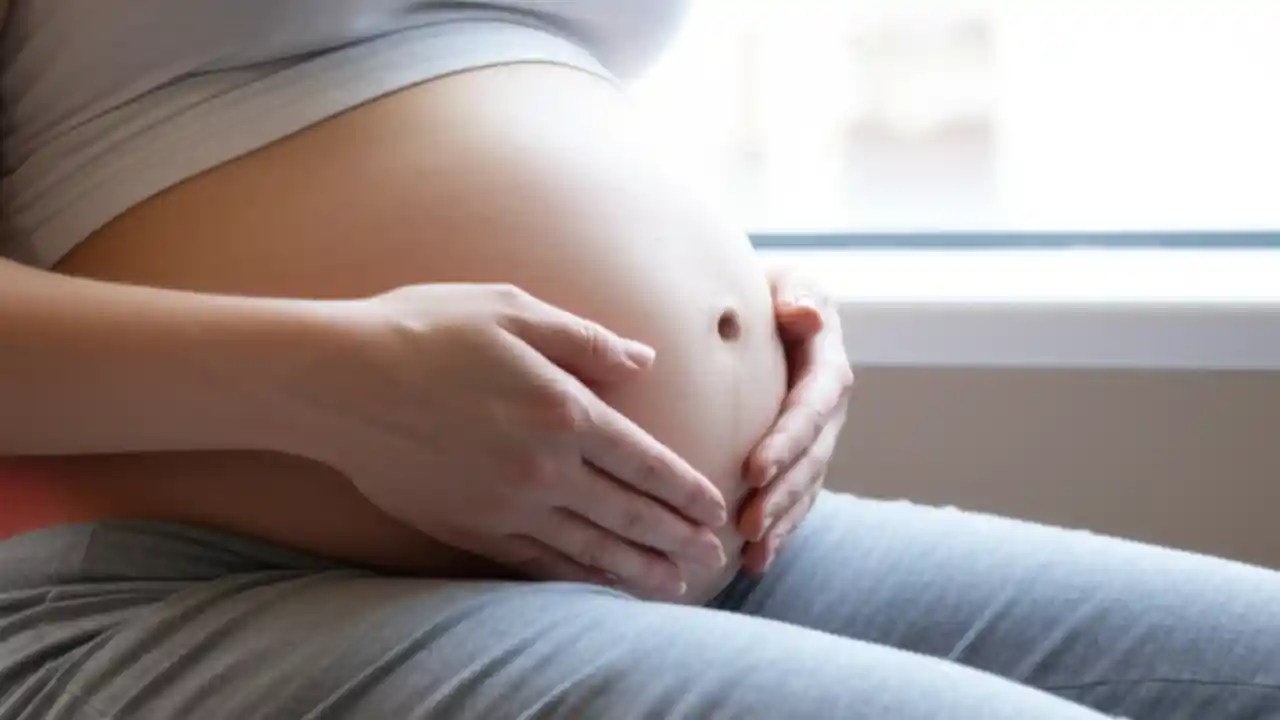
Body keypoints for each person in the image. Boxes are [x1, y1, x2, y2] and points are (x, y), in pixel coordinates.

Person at [0, 2, 1276, 718]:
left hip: (702, 547)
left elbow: (481, 95)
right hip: (196, 588)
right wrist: (338, 385)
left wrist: (753, 315)